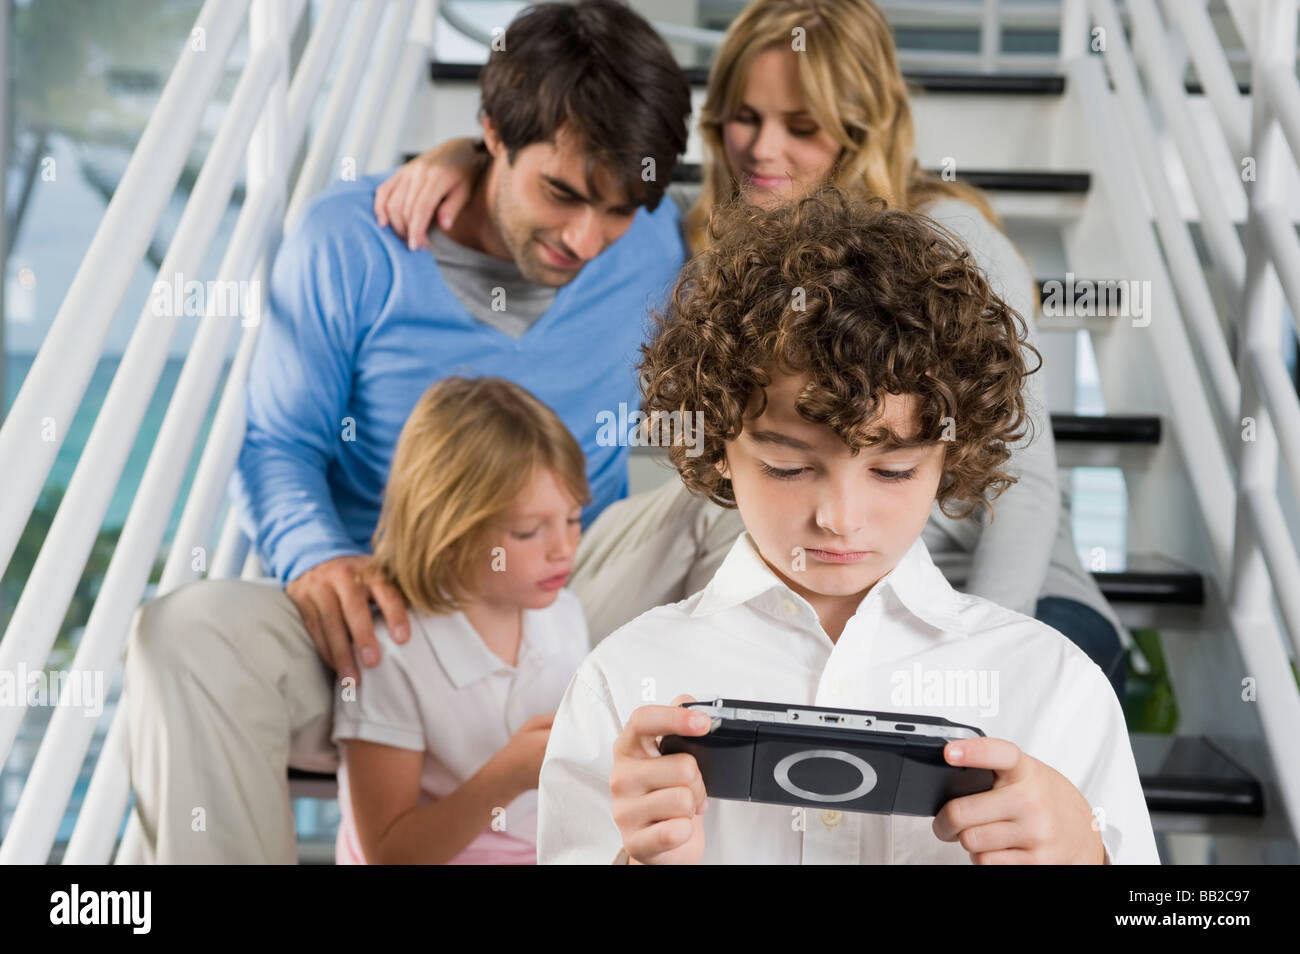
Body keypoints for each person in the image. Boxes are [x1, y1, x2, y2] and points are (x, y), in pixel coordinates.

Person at [377, 0, 1129, 700]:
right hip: (819, 585)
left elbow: (1023, 491)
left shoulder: (950, 242)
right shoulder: (711, 244)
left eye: (802, 126)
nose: (764, 149)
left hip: (994, 588)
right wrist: (472, 159)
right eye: (745, 117)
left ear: (859, 130)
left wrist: (974, 651)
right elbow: (581, 190)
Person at [119, 0, 706, 864]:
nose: (588, 238)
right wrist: (317, 557)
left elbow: (777, 169)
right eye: (562, 195)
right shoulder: (350, 243)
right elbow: (280, 444)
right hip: (385, 620)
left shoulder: (653, 242)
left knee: (738, 511)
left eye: (618, 209)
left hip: (568, 601)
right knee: (183, 635)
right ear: (493, 134)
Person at [536, 188, 1159, 865]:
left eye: (893, 472)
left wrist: (1087, 859)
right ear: (717, 440)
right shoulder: (624, 682)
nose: (839, 519)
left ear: (951, 451)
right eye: (785, 466)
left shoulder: (1053, 685)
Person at [333, 377, 588, 865]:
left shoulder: (563, 612)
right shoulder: (391, 657)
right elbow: (390, 853)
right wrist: (507, 777)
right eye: (529, 530)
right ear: (450, 535)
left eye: (574, 518)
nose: (564, 548)